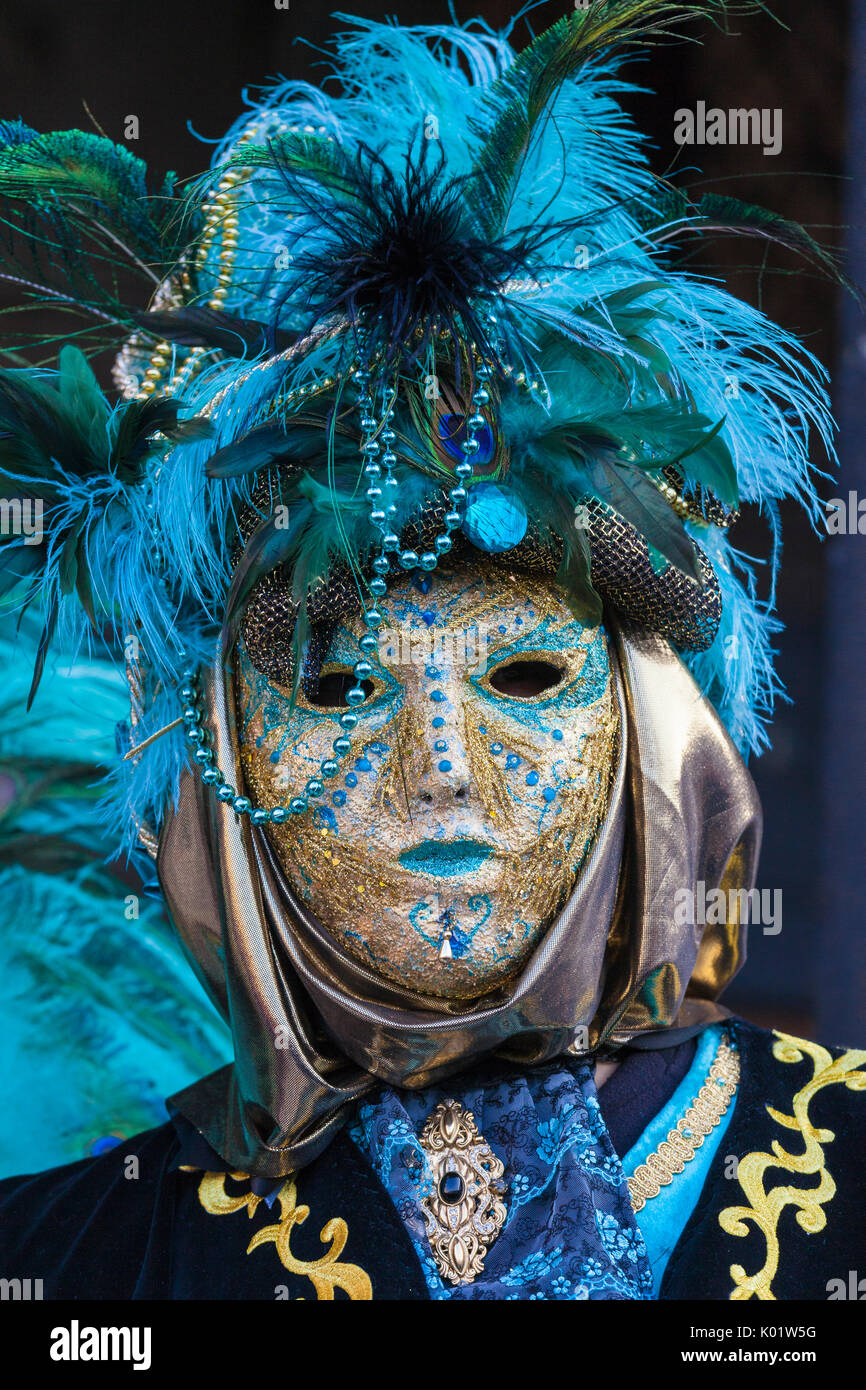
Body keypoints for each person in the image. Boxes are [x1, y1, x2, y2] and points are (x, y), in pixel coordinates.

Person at [0, 2, 863, 1302]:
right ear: (216, 748)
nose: (441, 767)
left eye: (524, 672)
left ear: (649, 724)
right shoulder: (69, 1267)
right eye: (340, 686)